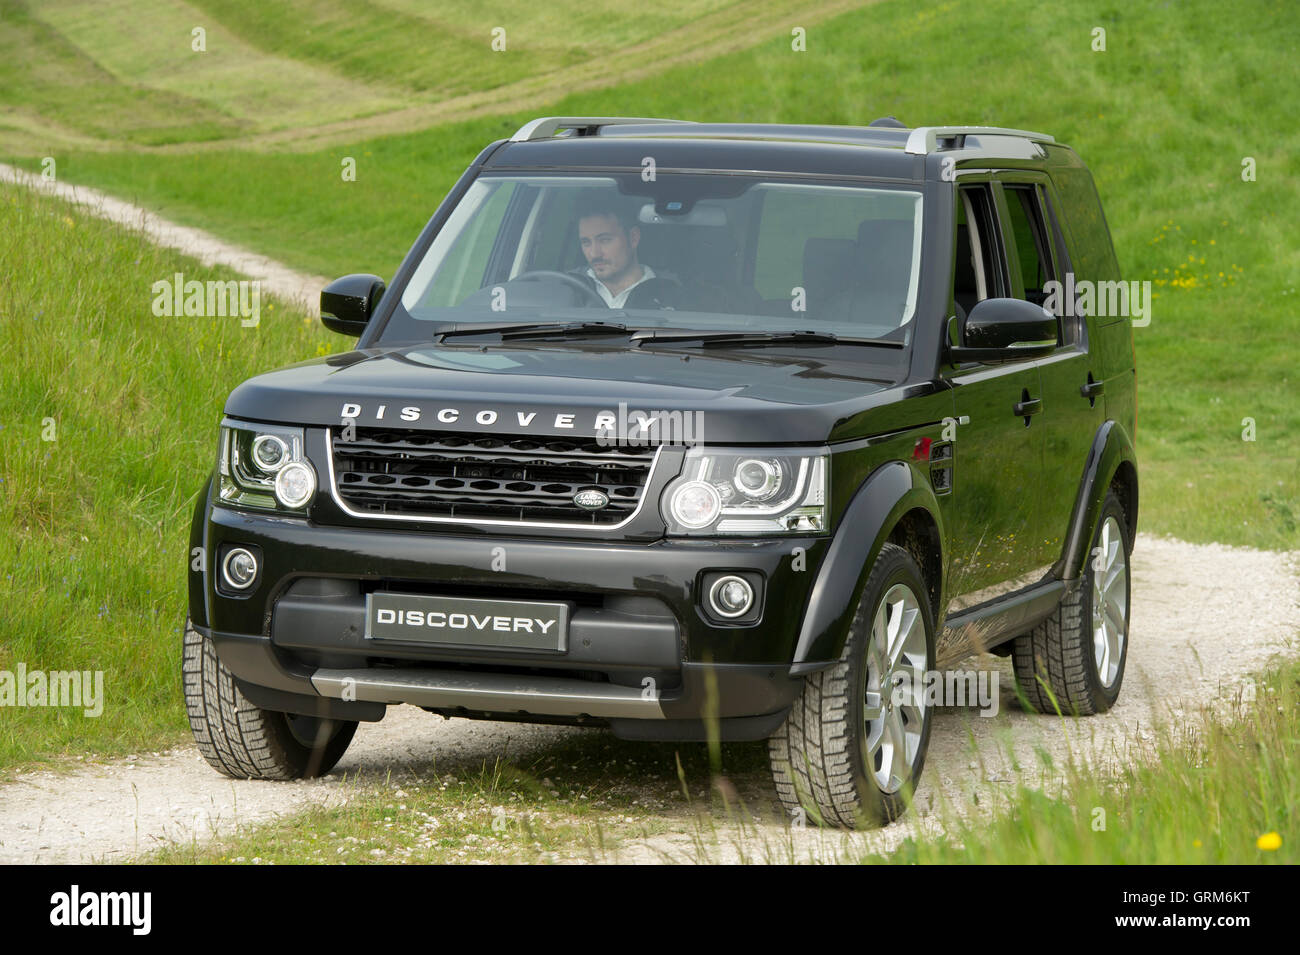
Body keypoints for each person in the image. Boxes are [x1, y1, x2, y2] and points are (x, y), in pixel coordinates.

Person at [570, 194, 683, 309]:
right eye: (586, 242)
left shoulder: (672, 295)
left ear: (633, 237)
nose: (594, 253)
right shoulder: (567, 288)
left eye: (604, 240)